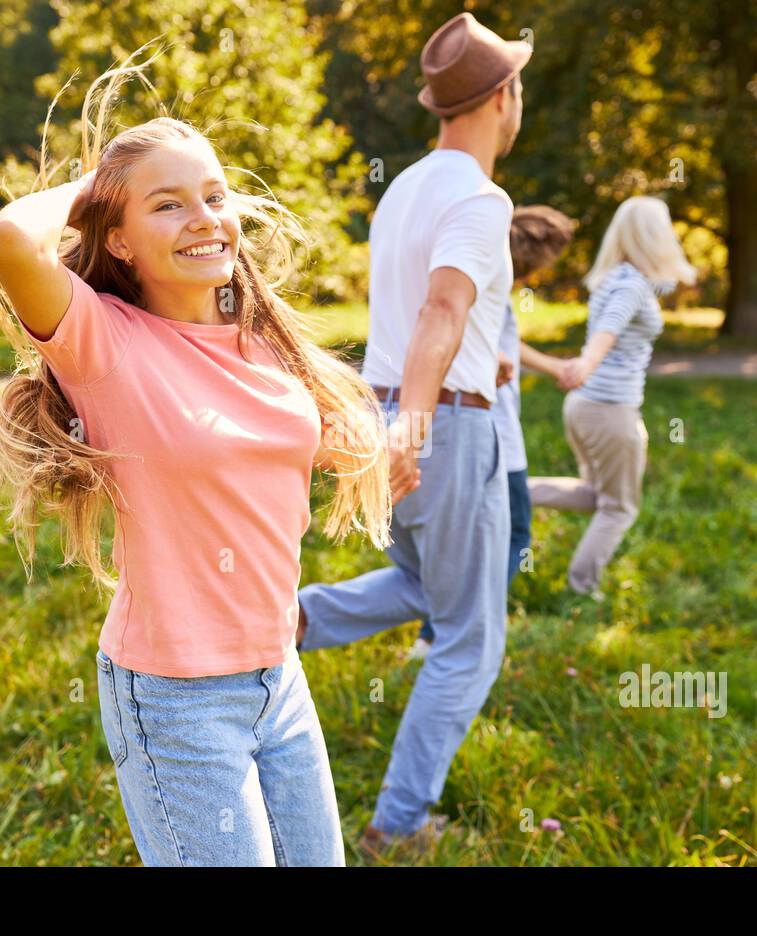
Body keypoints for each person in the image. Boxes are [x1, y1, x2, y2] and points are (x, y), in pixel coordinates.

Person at [0, 52, 392, 867]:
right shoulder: (103, 343)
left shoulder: (257, 337)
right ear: (120, 240)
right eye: (168, 205)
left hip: (278, 677)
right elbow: (9, 241)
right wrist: (97, 178)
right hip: (175, 697)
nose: (206, 217)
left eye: (214, 196)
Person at [293, 11, 531, 857]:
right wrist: (422, 422)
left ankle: (290, 622)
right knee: (471, 640)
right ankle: (399, 821)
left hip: (388, 409)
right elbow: (442, 307)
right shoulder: (478, 195)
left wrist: (405, 415)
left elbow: (420, 316)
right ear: (502, 96)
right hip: (443, 430)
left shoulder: (405, 188)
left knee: (424, 585)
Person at [410, 204, 577, 659]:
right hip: (493, 430)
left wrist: (549, 365)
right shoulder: (488, 282)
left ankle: (441, 628)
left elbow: (505, 345)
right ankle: (450, 628)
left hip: (484, 426)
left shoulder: (479, 278)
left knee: (474, 538)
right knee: (515, 534)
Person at [528, 196, 697, 598]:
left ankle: (515, 489)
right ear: (654, 236)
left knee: (595, 495)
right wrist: (586, 362)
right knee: (619, 508)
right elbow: (611, 325)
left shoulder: (618, 277)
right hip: (609, 408)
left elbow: (669, 282)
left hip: (586, 406)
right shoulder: (630, 287)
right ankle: (582, 587)